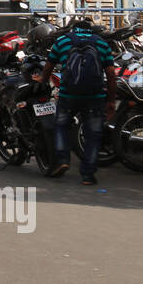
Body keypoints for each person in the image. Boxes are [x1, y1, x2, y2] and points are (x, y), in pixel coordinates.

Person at [38, 17, 116, 185]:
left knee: (61, 126)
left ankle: (63, 159)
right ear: (90, 30)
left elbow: (49, 66)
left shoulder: (63, 41)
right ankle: (87, 175)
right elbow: (111, 74)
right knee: (93, 135)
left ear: (73, 29)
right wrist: (111, 100)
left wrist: (42, 81)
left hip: (68, 95)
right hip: (95, 96)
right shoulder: (101, 43)